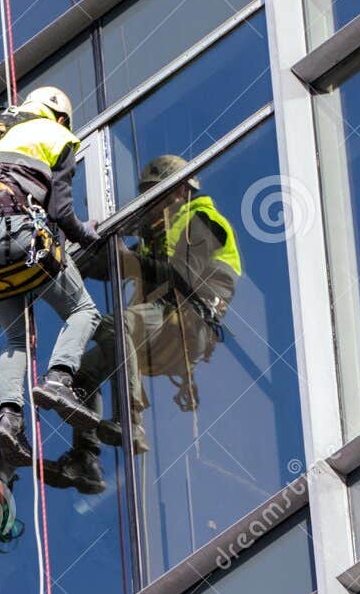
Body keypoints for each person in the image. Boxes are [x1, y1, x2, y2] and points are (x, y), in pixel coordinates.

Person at [50, 154, 240, 492]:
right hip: (160, 324)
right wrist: (61, 255)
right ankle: (86, 460)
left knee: (117, 324)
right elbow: (110, 267)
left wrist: (130, 259)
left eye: (156, 194)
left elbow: (184, 278)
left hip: (188, 320)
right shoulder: (158, 236)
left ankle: (130, 421)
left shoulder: (202, 221)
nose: (149, 205)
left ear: (180, 191)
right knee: (82, 374)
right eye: (147, 196)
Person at [0, 85, 110, 466]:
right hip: (20, 240)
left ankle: (8, 418)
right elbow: (61, 210)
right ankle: (58, 380)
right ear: (62, 117)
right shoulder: (57, 135)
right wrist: (86, 234)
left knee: (16, 338)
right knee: (83, 311)